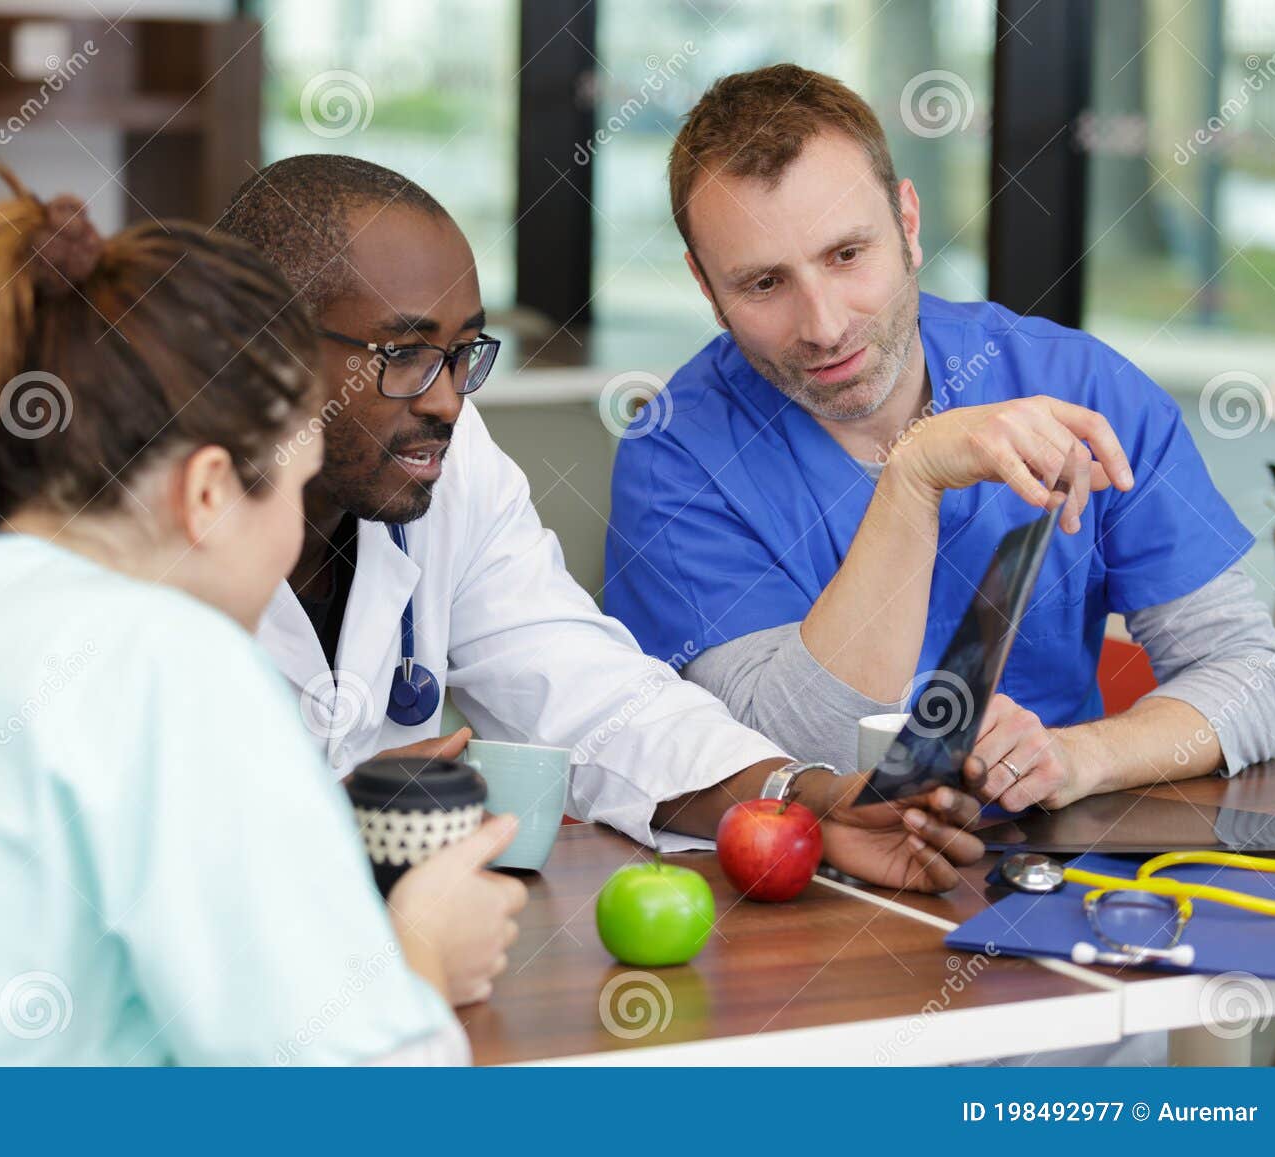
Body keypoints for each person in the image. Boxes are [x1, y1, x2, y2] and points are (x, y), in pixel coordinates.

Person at [0, 170, 524, 1065]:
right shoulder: (155, 658)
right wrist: (422, 946)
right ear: (207, 490)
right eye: (294, 485)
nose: (297, 533)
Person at [218, 155, 986, 891]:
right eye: (407, 353)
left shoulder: (448, 464)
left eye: (462, 353)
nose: (448, 400)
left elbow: (589, 695)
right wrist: (315, 819)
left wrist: (800, 796)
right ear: (259, 349)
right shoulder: (132, 525)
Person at [604, 64, 1275, 813]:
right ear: (706, 287)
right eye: (764, 284)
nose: (825, 325)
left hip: (1056, 873)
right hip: (810, 900)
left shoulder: (1082, 388)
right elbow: (787, 759)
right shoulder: (675, 457)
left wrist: (1079, 755)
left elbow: (1256, 677)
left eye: (847, 255)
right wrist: (914, 476)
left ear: (908, 223)